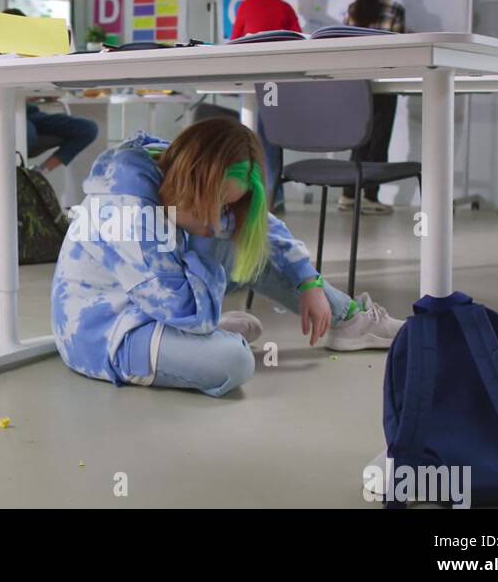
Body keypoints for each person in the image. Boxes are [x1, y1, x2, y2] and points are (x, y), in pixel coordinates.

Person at [51, 119, 404, 398]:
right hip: (110, 333)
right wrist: (206, 307)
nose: (221, 216)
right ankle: (208, 341)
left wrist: (308, 281)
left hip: (159, 307)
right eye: (218, 203)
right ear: (193, 182)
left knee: (249, 248)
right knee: (233, 362)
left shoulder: (173, 171)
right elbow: (181, 310)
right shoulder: (129, 215)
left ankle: (349, 322)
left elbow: (262, 227)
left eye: (227, 205)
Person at [0, 9, 99, 174]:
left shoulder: (29, 54)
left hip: (32, 114)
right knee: (26, 135)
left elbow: (33, 87)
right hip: (4, 115)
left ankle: (39, 173)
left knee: (87, 128)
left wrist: (43, 93)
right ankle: (14, 179)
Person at [230, 0, 302, 211]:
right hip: (279, 81)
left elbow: (234, 42)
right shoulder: (284, 7)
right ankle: (275, 197)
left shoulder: (246, 6)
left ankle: (256, 201)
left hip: (251, 79)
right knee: (273, 140)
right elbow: (299, 42)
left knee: (250, 139)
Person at [339, 0, 406, 216]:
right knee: (379, 141)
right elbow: (397, 46)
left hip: (356, 82)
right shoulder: (395, 8)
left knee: (359, 139)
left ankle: (347, 194)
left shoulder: (354, 8)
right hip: (383, 81)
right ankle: (369, 196)